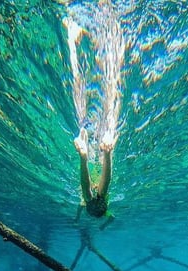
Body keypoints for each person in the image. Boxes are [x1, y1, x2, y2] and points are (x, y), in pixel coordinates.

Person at [65, 1, 124, 220]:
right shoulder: (89, 201)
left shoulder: (102, 202)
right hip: (93, 144)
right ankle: (72, 39)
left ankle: (108, 42)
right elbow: (89, 194)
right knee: (79, 89)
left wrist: (107, 154)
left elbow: (101, 189)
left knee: (109, 96)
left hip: (103, 145)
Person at [74, 127, 113, 218]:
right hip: (93, 205)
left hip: (100, 205)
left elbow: (112, 217)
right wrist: (77, 217)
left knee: (101, 195)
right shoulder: (84, 202)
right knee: (88, 199)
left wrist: (77, 217)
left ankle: (107, 153)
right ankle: (83, 158)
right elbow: (81, 206)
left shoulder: (106, 212)